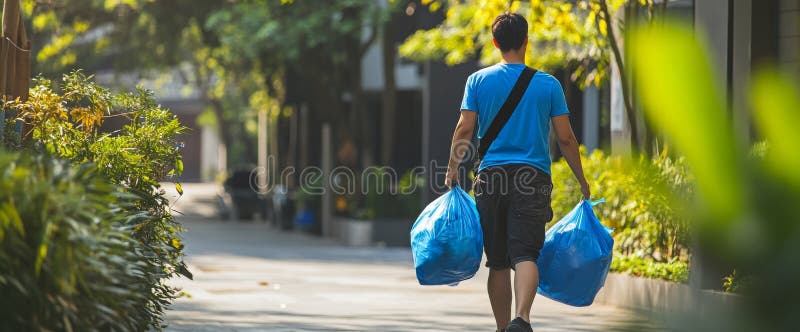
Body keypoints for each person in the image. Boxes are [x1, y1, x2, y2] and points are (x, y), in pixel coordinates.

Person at [444, 12, 591, 332]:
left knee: (497, 261)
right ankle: (521, 318)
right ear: (526, 40)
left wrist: (453, 167)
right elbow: (566, 138)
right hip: (532, 178)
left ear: (495, 43)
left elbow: (464, 129)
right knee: (525, 254)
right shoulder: (548, 84)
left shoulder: (478, 81)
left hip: (491, 178)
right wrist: (582, 180)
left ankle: (501, 328)